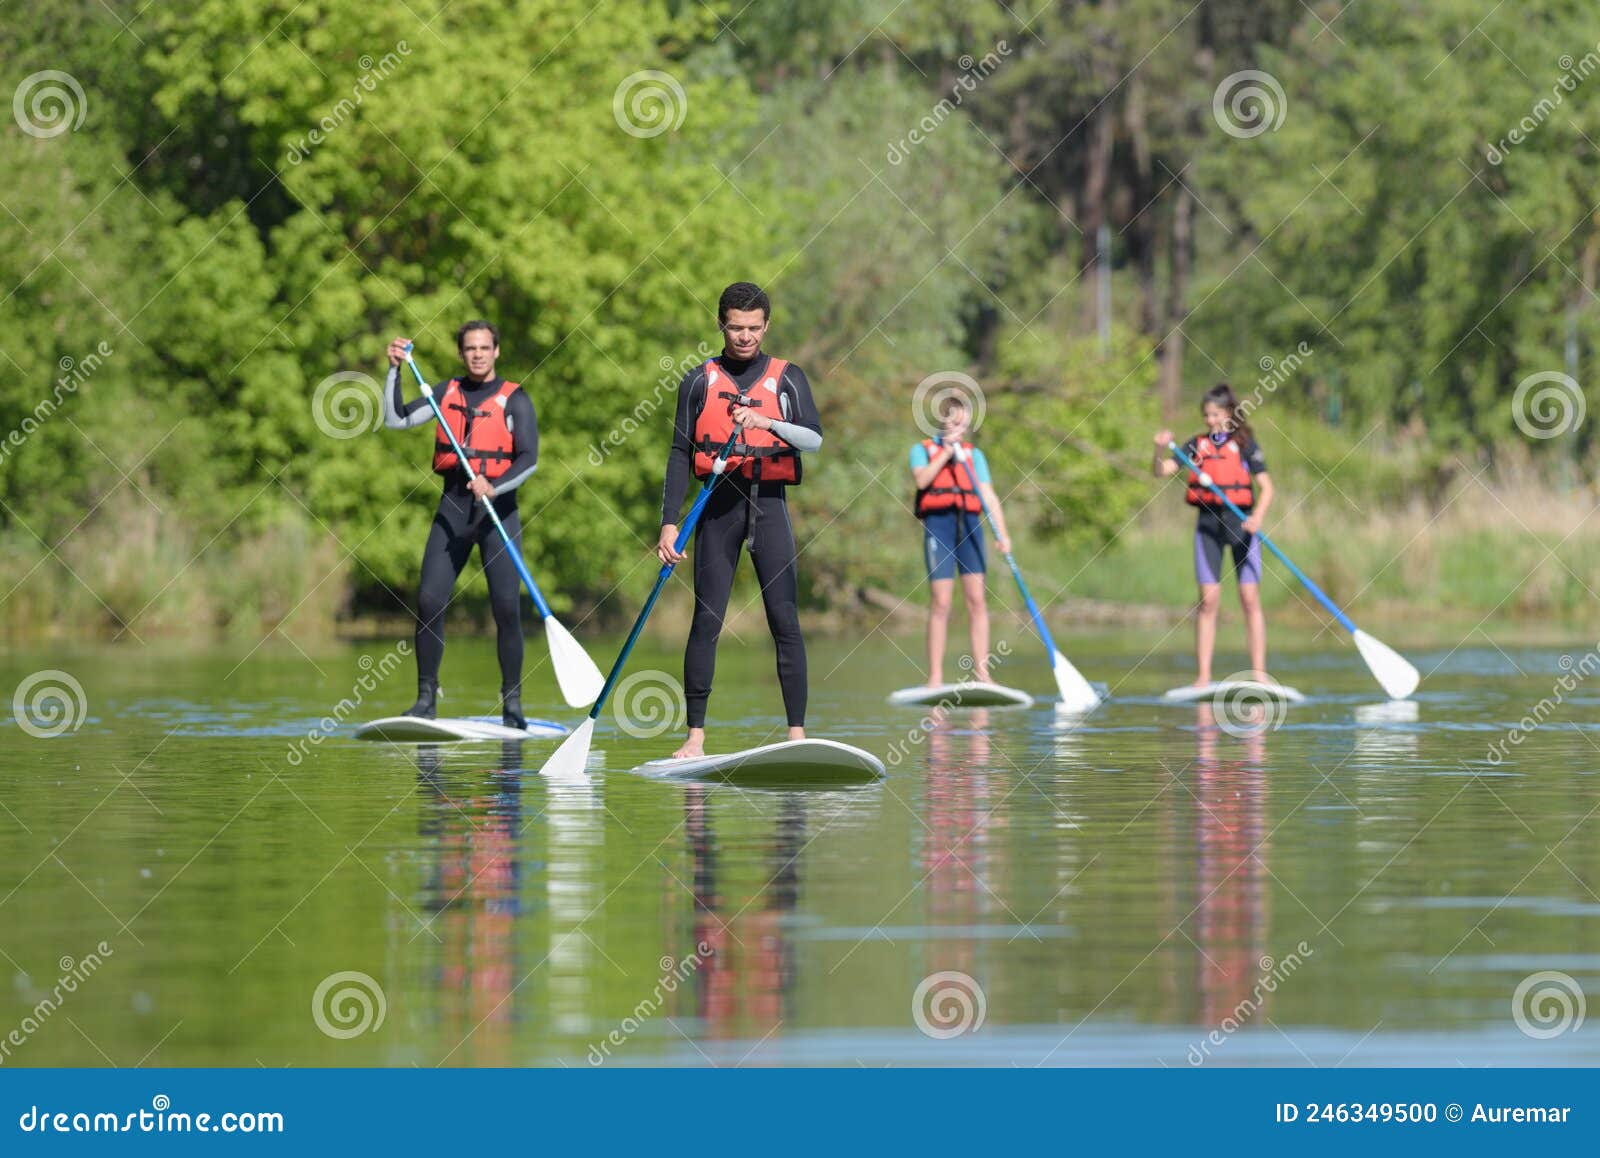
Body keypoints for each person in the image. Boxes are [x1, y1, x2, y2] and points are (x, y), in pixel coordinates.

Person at [657, 282, 823, 759]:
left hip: (768, 504)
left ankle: (796, 734)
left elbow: (813, 440)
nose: (745, 336)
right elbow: (678, 453)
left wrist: (766, 423)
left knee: (783, 620)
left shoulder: (789, 378)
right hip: (716, 507)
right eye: (736, 327)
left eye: (753, 328)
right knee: (706, 619)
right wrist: (670, 522)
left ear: (766, 326)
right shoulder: (697, 381)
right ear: (721, 324)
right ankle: (694, 738)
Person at [382, 321, 539, 727]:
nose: (477, 354)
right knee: (430, 602)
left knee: (506, 608)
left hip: (497, 514)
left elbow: (529, 459)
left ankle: (513, 703)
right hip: (453, 509)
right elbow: (396, 420)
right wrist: (394, 371)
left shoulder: (515, 399)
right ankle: (425, 699)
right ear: (461, 353)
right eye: (470, 348)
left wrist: (495, 484)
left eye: (485, 347)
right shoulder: (442, 393)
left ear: (497, 351)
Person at [1152, 383, 1275, 685]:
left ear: (1230, 413)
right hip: (1208, 526)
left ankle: (1259, 675)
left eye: (1215, 414)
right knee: (1208, 602)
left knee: (1249, 598)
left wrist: (1258, 517)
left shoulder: (1246, 444)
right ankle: (1203, 676)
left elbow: (1268, 488)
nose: (1210, 420)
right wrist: (1158, 447)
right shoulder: (1196, 444)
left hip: (1242, 526)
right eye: (1206, 415)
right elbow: (1161, 470)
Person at [910, 398, 1013, 686]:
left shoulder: (974, 456)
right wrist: (945, 453)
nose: (960, 430)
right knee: (941, 602)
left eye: (965, 425)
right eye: (955, 424)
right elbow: (922, 481)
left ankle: (983, 674)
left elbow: (989, 497)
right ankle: (935, 677)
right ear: (942, 422)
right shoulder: (922, 451)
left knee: (977, 601)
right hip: (938, 526)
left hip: (970, 526)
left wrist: (1003, 534)